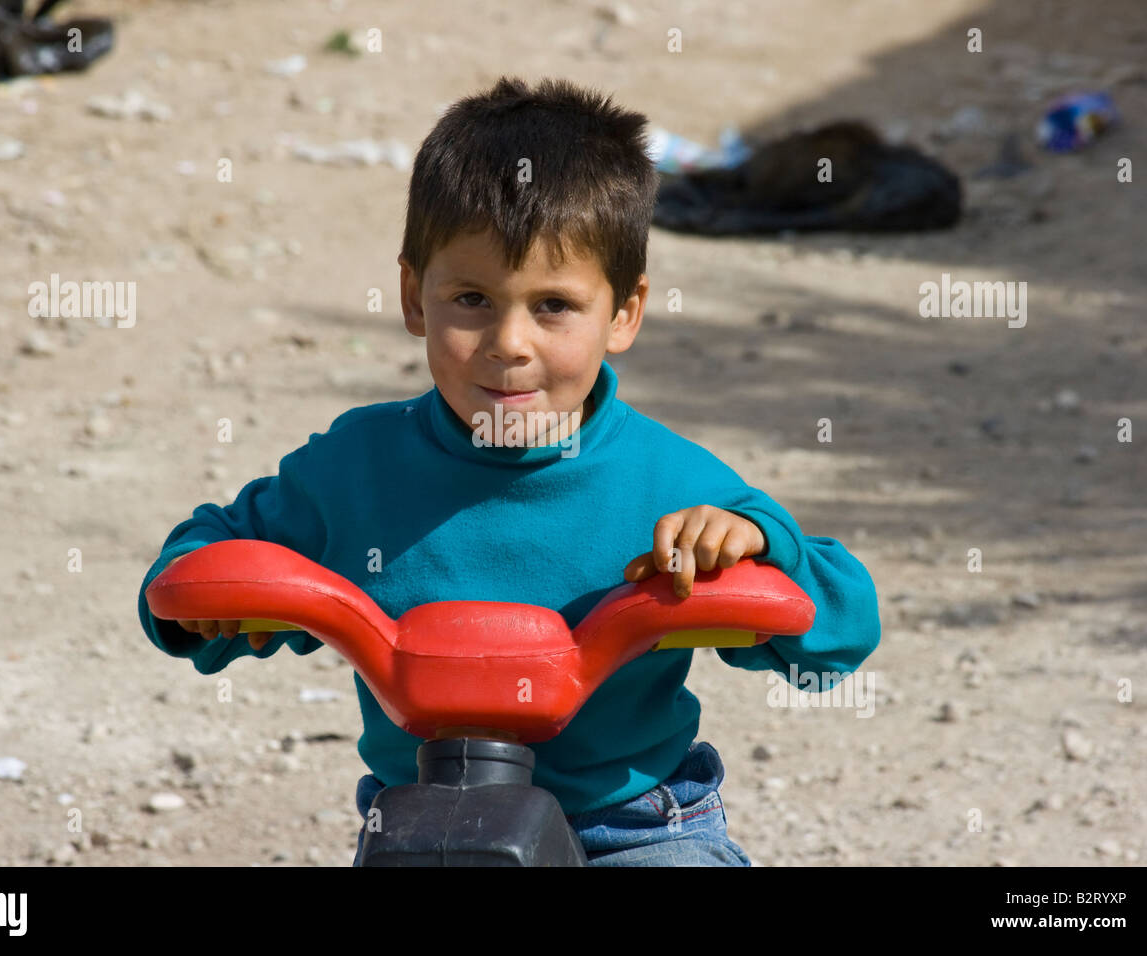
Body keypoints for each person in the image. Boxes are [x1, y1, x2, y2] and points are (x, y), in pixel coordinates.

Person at [136, 75, 880, 867]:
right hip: (426, 822)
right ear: (414, 296)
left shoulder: (670, 484)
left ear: (623, 313)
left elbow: (839, 633)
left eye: (554, 305)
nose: (510, 343)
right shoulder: (355, 468)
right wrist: (203, 601)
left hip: (631, 827)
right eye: (471, 298)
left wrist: (757, 546)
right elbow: (203, 558)